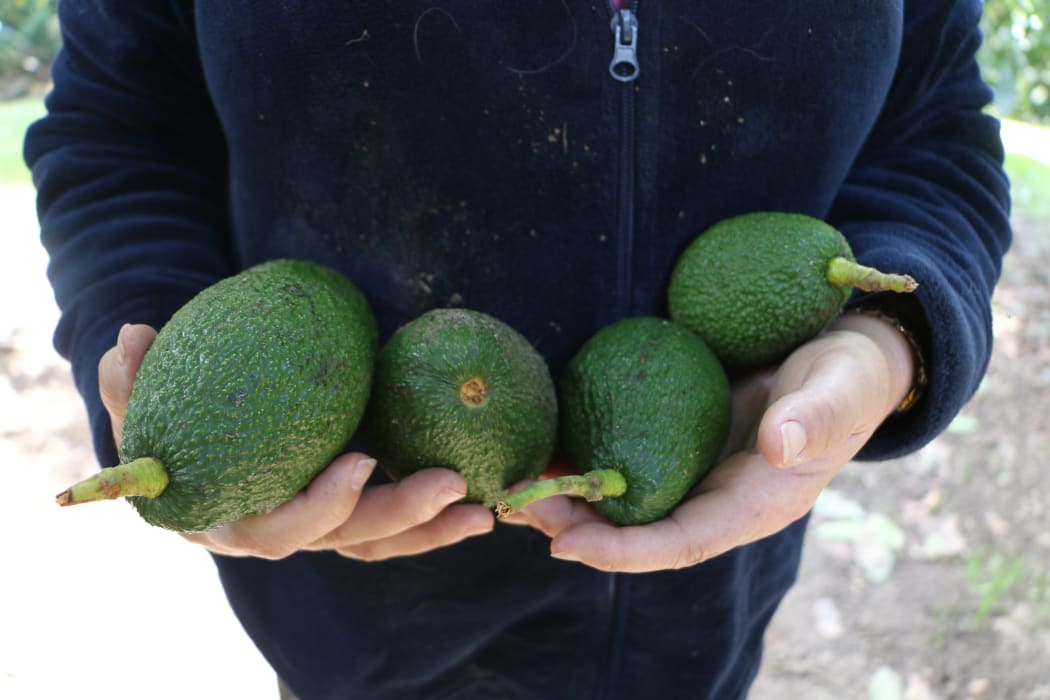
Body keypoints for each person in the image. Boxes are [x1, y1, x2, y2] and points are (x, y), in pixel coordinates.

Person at [24, 1, 1010, 698]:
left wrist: (890, 341)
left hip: (702, 608)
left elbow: (934, 127)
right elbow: (120, 128)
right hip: (350, 616)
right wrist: (162, 358)